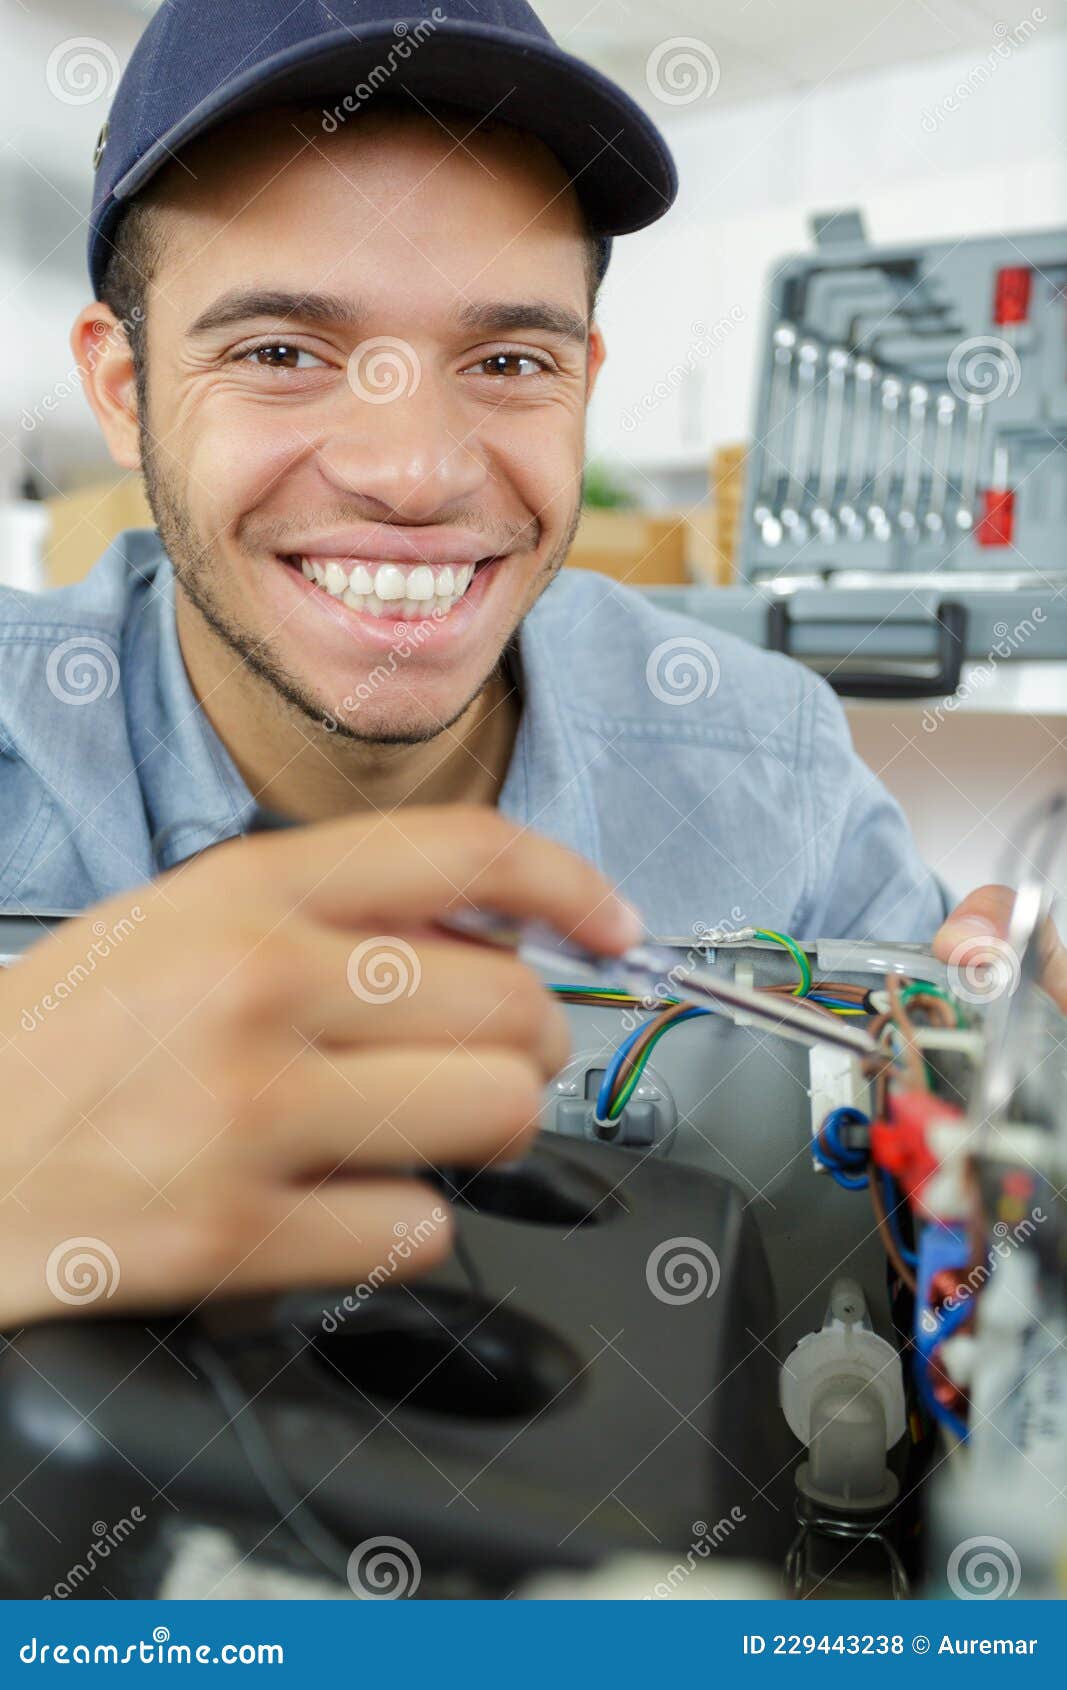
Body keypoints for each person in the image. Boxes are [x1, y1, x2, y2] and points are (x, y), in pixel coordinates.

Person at [0, 0, 1062, 1326]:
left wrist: (1022, 1098)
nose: (415, 473)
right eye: (281, 353)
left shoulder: (770, 765)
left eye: (508, 359)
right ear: (121, 384)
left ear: (585, 377)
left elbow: (967, 1159)